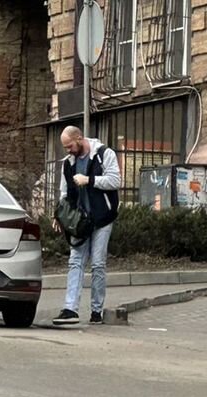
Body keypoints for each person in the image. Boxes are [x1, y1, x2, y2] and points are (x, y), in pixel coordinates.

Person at [52, 126, 121, 325]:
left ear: (79, 138)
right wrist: (59, 215)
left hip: (102, 218)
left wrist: (89, 180)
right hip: (79, 221)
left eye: (70, 146)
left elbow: (115, 181)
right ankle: (70, 309)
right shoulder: (68, 164)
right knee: (75, 262)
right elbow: (65, 193)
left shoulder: (104, 154)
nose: (68, 150)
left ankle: (96, 311)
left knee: (98, 265)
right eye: (65, 147)